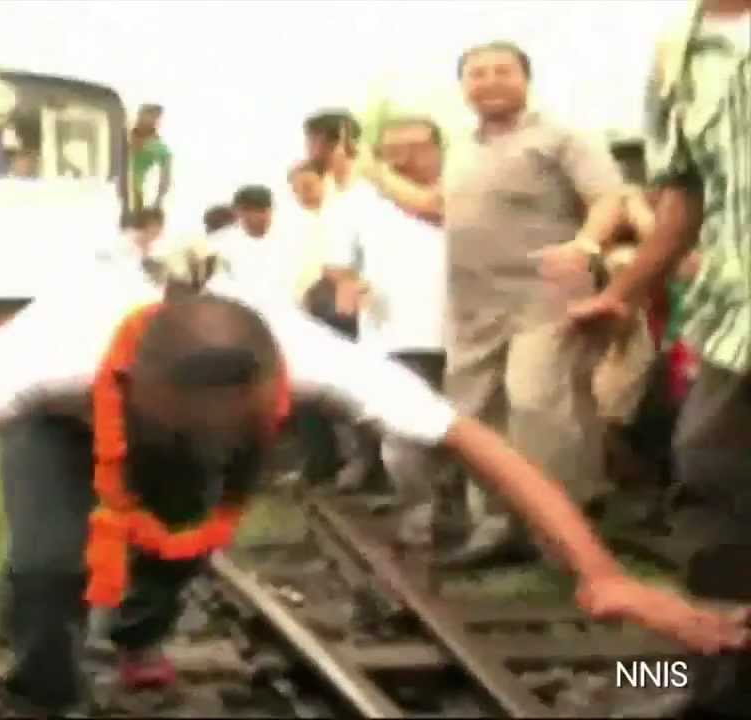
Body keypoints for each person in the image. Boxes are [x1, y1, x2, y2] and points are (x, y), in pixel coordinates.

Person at [0, 267, 748, 715]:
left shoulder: (312, 361)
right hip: (64, 441)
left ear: (274, 392)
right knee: (44, 564)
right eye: (192, 424)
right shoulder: (40, 358)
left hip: (202, 434)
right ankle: (48, 686)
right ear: (132, 384)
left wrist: (596, 575)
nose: (214, 435)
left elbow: (475, 445)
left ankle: (138, 639)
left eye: (241, 419)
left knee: (178, 541)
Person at [570, 0, 751, 714]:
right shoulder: (679, 53)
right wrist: (621, 289)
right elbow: (682, 197)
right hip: (737, 322)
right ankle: (714, 675)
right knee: (711, 473)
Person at [434, 41, 628, 568]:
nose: (490, 80)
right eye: (477, 73)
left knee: (537, 404)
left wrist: (586, 246)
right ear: (464, 86)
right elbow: (442, 209)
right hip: (472, 306)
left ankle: (565, 530)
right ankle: (497, 527)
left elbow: (610, 197)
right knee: (473, 416)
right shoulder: (460, 147)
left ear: (526, 78)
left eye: (502, 71)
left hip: (545, 299)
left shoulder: (563, 135)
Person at [322, 116, 451, 542]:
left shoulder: (463, 186)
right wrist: (346, 283)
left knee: (471, 432)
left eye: (416, 147)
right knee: (402, 434)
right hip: (394, 331)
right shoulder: (356, 200)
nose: (405, 157)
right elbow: (337, 261)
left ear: (437, 149)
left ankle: (476, 523)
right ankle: (421, 519)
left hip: (469, 331)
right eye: (394, 149)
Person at [121, 104, 172, 226]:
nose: (152, 120)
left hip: (133, 195)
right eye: (148, 115)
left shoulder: (158, 147)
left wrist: (157, 203)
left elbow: (165, 178)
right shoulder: (122, 135)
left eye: (155, 117)